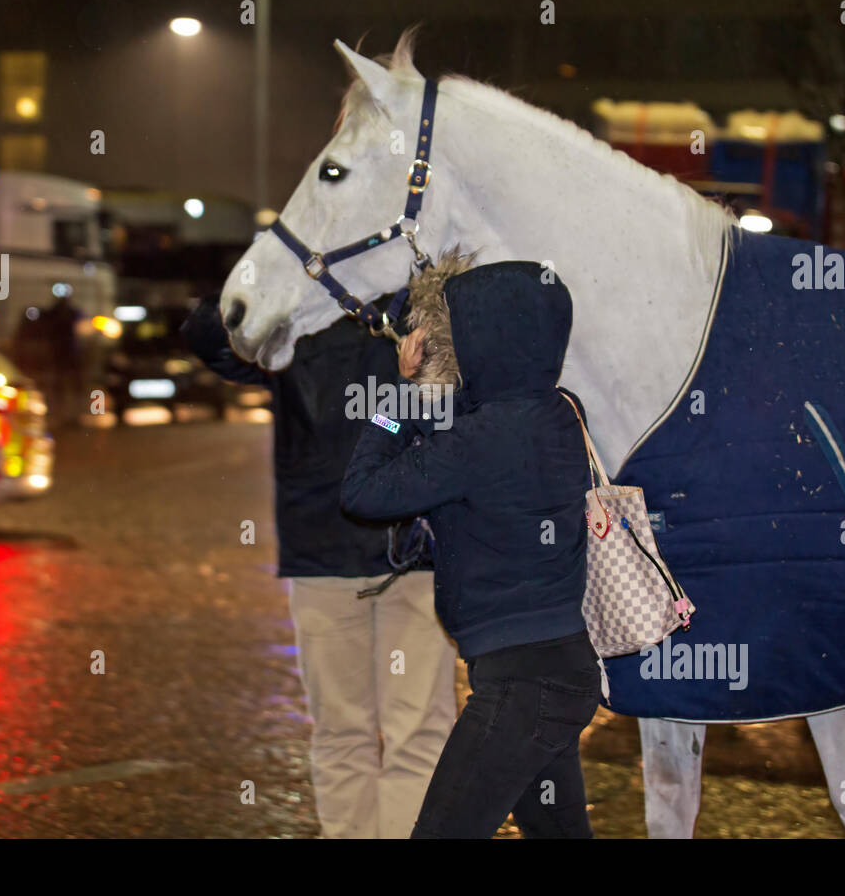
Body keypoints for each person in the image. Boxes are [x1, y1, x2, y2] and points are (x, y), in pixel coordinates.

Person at [341, 259, 600, 838]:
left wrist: (397, 399)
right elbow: (477, 429)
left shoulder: (475, 444)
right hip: (560, 674)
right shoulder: (561, 412)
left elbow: (362, 491)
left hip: (520, 687)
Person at [183, 294, 456, 839]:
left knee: (358, 732)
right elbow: (207, 335)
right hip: (392, 546)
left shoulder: (303, 316)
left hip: (367, 550)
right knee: (407, 731)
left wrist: (268, 282)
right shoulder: (400, 307)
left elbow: (208, 335)